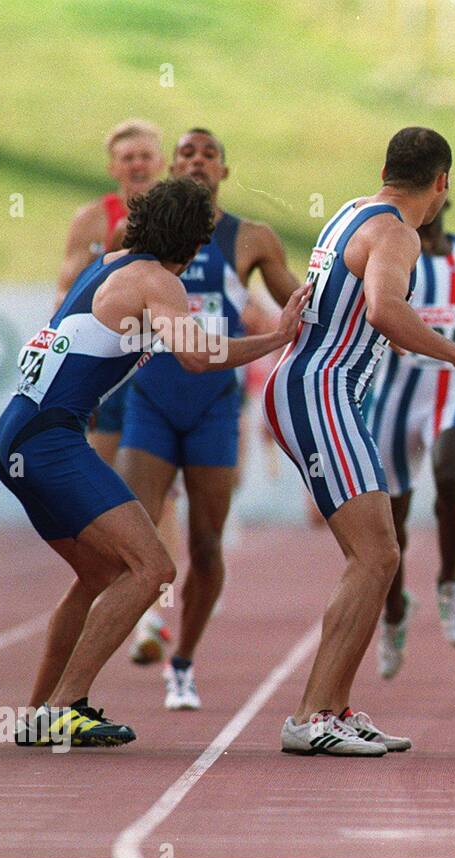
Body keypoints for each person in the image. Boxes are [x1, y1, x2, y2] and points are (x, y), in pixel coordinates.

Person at [0, 177, 310, 746]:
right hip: (49, 440)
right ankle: (66, 705)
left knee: (98, 573)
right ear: (193, 244)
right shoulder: (157, 281)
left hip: (18, 434)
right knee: (153, 569)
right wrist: (276, 338)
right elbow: (194, 356)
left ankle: (40, 713)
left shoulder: (116, 261)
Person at [264, 127, 455, 757]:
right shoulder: (397, 233)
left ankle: (332, 706)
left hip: (320, 386)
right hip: (322, 389)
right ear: (442, 181)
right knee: (376, 557)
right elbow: (385, 312)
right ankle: (312, 716)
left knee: (377, 555)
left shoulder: (351, 211)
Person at [115, 128, 303, 711]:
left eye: (209, 154)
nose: (197, 161)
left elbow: (299, 302)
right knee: (133, 533)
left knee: (207, 543)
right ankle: (146, 623)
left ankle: (184, 663)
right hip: (151, 397)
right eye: (187, 154)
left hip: (214, 408)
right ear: (173, 168)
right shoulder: (138, 233)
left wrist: (376, 320)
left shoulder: (252, 237)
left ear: (224, 169)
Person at [369, 199, 455, 677]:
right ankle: (393, 612)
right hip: (396, 394)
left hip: (454, 388)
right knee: (391, 517)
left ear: (445, 194)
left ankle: (449, 582)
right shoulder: (389, 248)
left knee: (451, 475)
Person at [55, 119, 165, 466]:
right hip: (110, 359)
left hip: (163, 360)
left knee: (159, 486)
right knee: (98, 470)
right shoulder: (93, 218)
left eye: (145, 156)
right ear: (113, 167)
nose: (137, 164)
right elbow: (65, 294)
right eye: (128, 157)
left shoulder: (179, 216)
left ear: (161, 162)